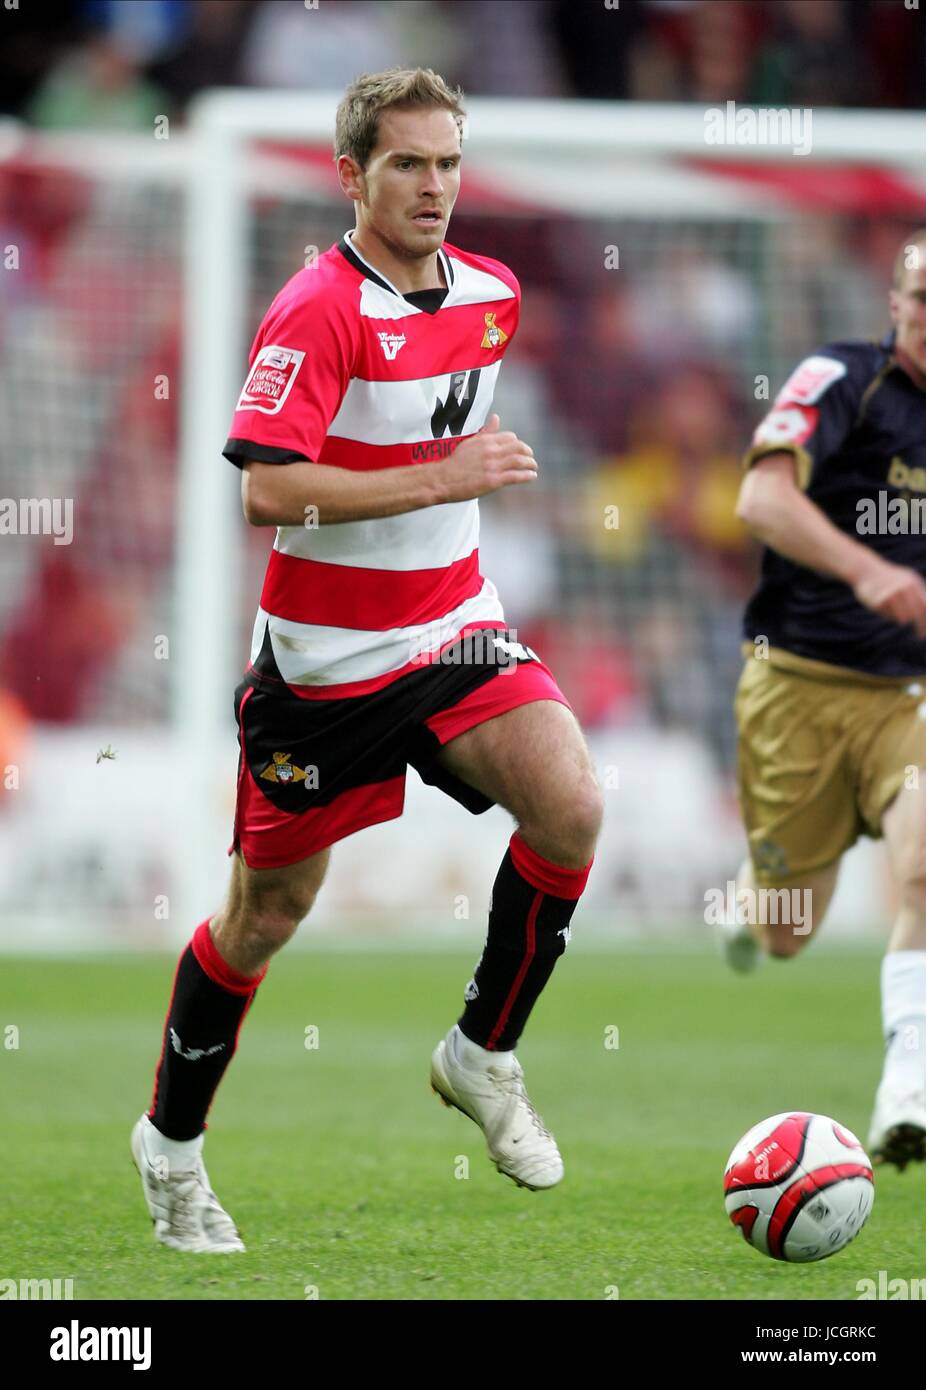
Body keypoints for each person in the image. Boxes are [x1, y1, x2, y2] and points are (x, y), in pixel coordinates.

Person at [131, 66, 602, 1252]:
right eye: (406, 163)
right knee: (266, 913)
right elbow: (269, 490)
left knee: (570, 807)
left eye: (447, 161)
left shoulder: (491, 293)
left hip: (454, 626)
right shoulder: (314, 307)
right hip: (325, 667)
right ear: (352, 177)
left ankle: (480, 1053)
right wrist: (441, 478)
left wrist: (447, 504)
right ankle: (171, 1147)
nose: (433, 184)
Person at [725, 227, 926, 1171]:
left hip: (909, 693)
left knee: (925, 865)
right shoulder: (841, 380)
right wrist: (868, 571)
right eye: (923, 301)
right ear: (894, 305)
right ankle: (755, 891)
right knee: (790, 931)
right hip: (798, 684)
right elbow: (761, 503)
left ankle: (908, 1090)